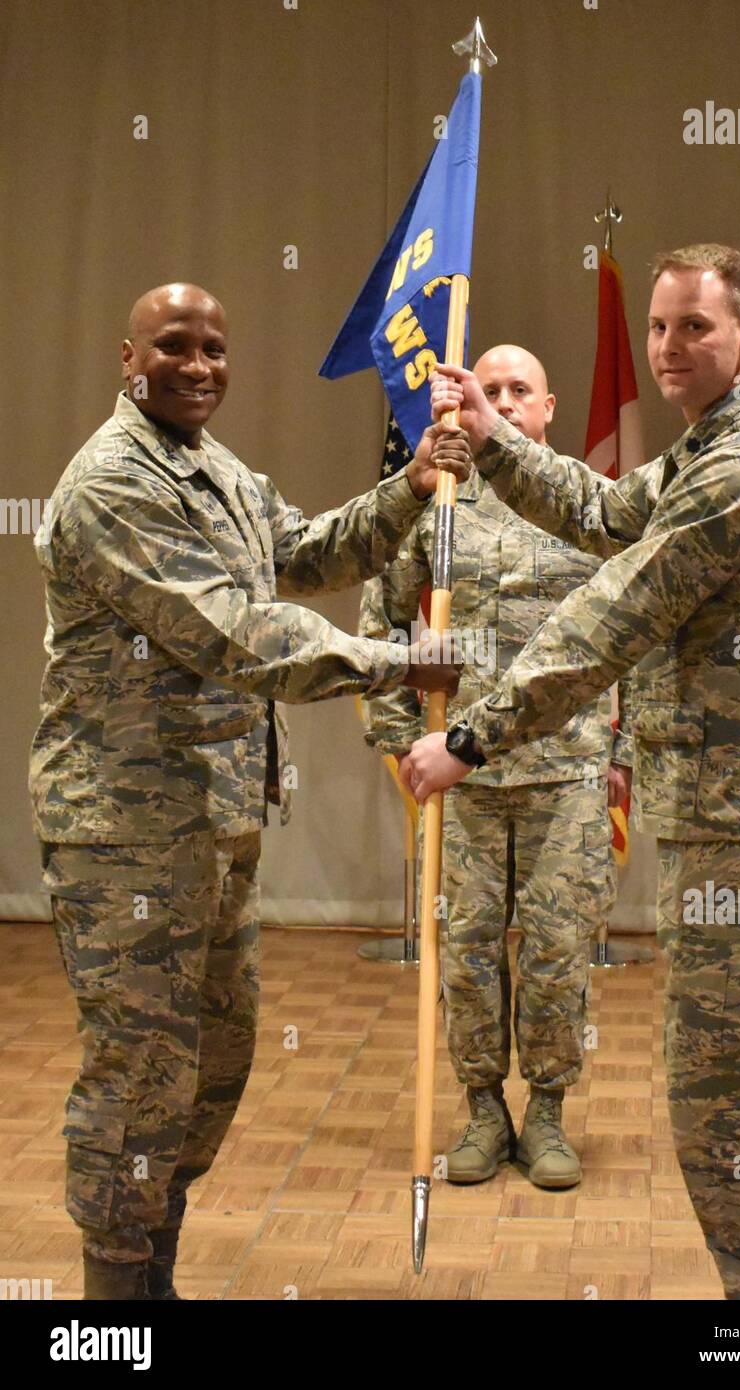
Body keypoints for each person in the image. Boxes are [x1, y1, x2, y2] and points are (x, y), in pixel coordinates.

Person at [401, 245, 740, 1301]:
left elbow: (610, 617)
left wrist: (468, 738)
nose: (665, 348)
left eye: (692, 326)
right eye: (655, 327)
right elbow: (604, 514)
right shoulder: (706, 448)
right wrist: (494, 432)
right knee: (732, 1084)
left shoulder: (739, 470)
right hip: (724, 813)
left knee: (725, 1091)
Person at [31, 282, 467, 1300]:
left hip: (212, 823)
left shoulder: (210, 468)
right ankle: (112, 1304)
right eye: (173, 346)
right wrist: (394, 661)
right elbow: (233, 632)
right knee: (138, 1075)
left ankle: (154, 1275)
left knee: (211, 1067)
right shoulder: (112, 483)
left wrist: (407, 490)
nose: (196, 365)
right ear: (125, 355)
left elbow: (301, 553)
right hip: (124, 834)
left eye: (214, 348)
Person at [360, 346, 631, 1188]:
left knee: (556, 952)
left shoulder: (585, 512)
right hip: (461, 778)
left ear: (549, 408)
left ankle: (547, 1114)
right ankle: (483, 1110)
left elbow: (638, 631)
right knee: (468, 951)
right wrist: (399, 731)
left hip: (569, 773)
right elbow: (379, 613)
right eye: (494, 388)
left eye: (522, 392)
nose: (506, 404)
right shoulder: (438, 502)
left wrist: (627, 753)